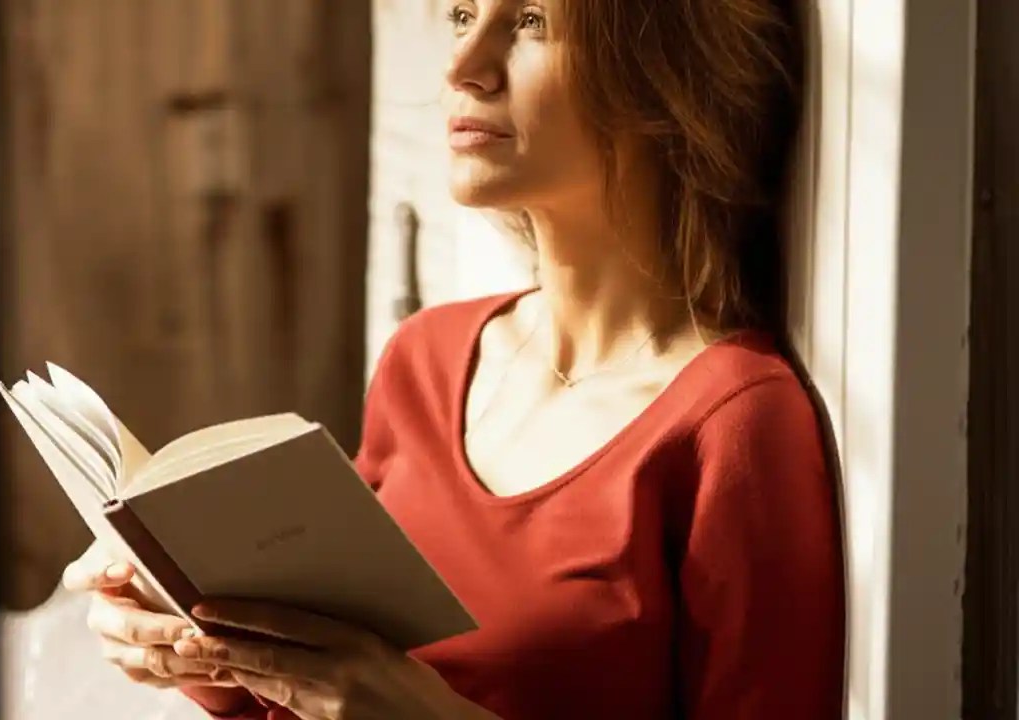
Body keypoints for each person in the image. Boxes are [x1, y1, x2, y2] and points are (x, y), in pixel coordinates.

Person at [62, 0, 845, 717]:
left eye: (531, 21)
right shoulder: (427, 357)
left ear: (668, 74)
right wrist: (192, 644)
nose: (462, 64)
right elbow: (319, 683)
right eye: (463, 12)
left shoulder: (736, 426)